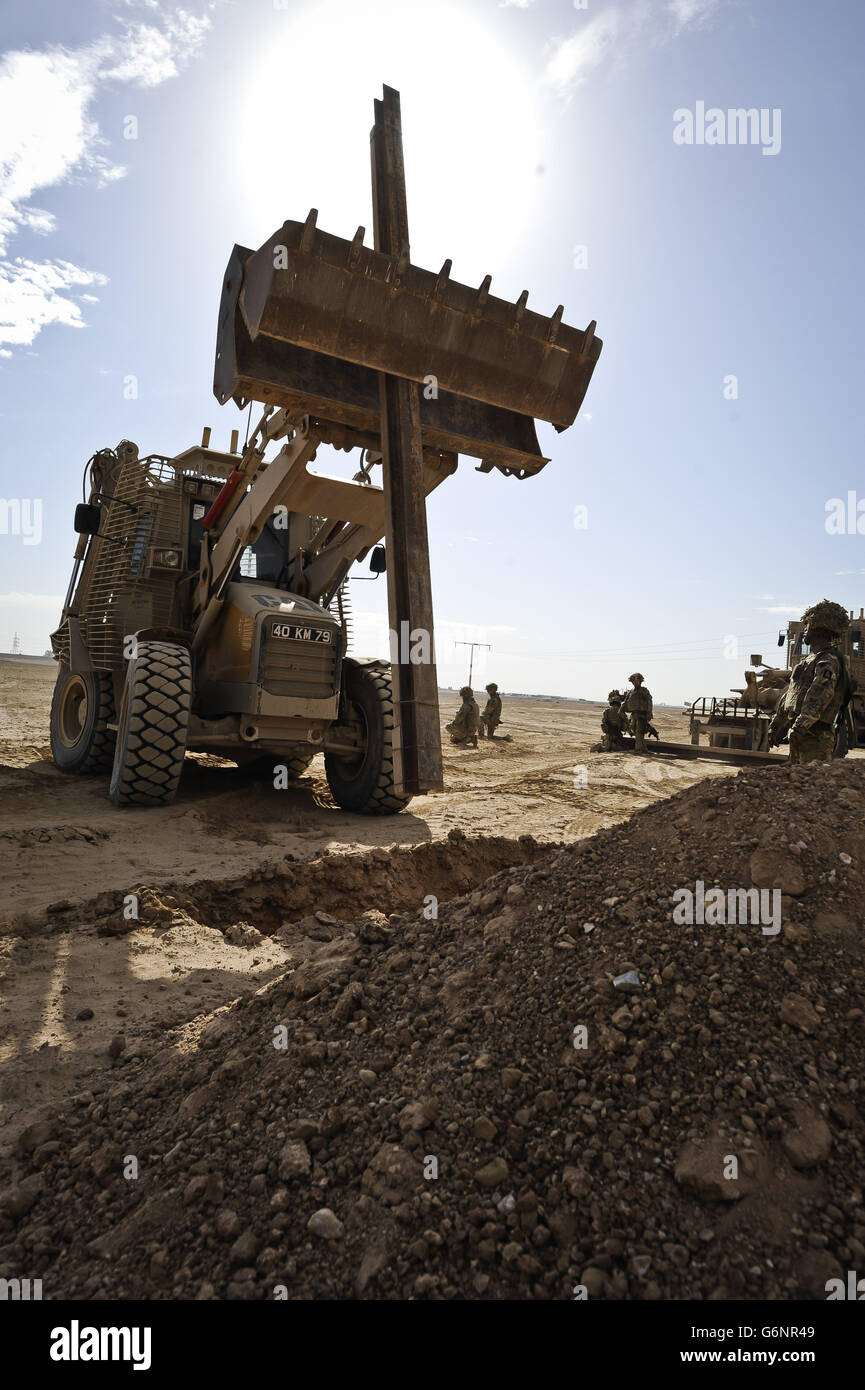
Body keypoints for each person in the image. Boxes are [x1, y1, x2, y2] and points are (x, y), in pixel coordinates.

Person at [768, 600, 852, 763]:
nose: (805, 630)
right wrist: (775, 726)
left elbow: (819, 697)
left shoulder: (828, 660)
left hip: (815, 738)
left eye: (807, 626)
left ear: (818, 630)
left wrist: (799, 726)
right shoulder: (808, 660)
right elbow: (791, 696)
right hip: (801, 735)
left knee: (812, 782)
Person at [622, 672, 654, 753]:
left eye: (636, 681)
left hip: (642, 715)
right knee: (635, 731)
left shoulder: (644, 690)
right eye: (633, 681)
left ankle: (638, 749)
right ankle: (643, 748)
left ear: (640, 681)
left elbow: (649, 702)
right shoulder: (631, 691)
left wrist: (649, 713)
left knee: (640, 731)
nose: (635, 682)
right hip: (634, 714)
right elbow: (626, 701)